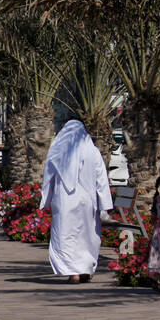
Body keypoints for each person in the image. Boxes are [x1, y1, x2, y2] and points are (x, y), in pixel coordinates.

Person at [40, 119, 114, 282]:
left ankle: (74, 272)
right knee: (87, 236)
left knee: (66, 235)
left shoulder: (58, 152)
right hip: (88, 201)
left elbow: (48, 178)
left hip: (64, 200)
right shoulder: (92, 151)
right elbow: (101, 179)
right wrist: (105, 205)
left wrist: (46, 199)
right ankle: (85, 269)